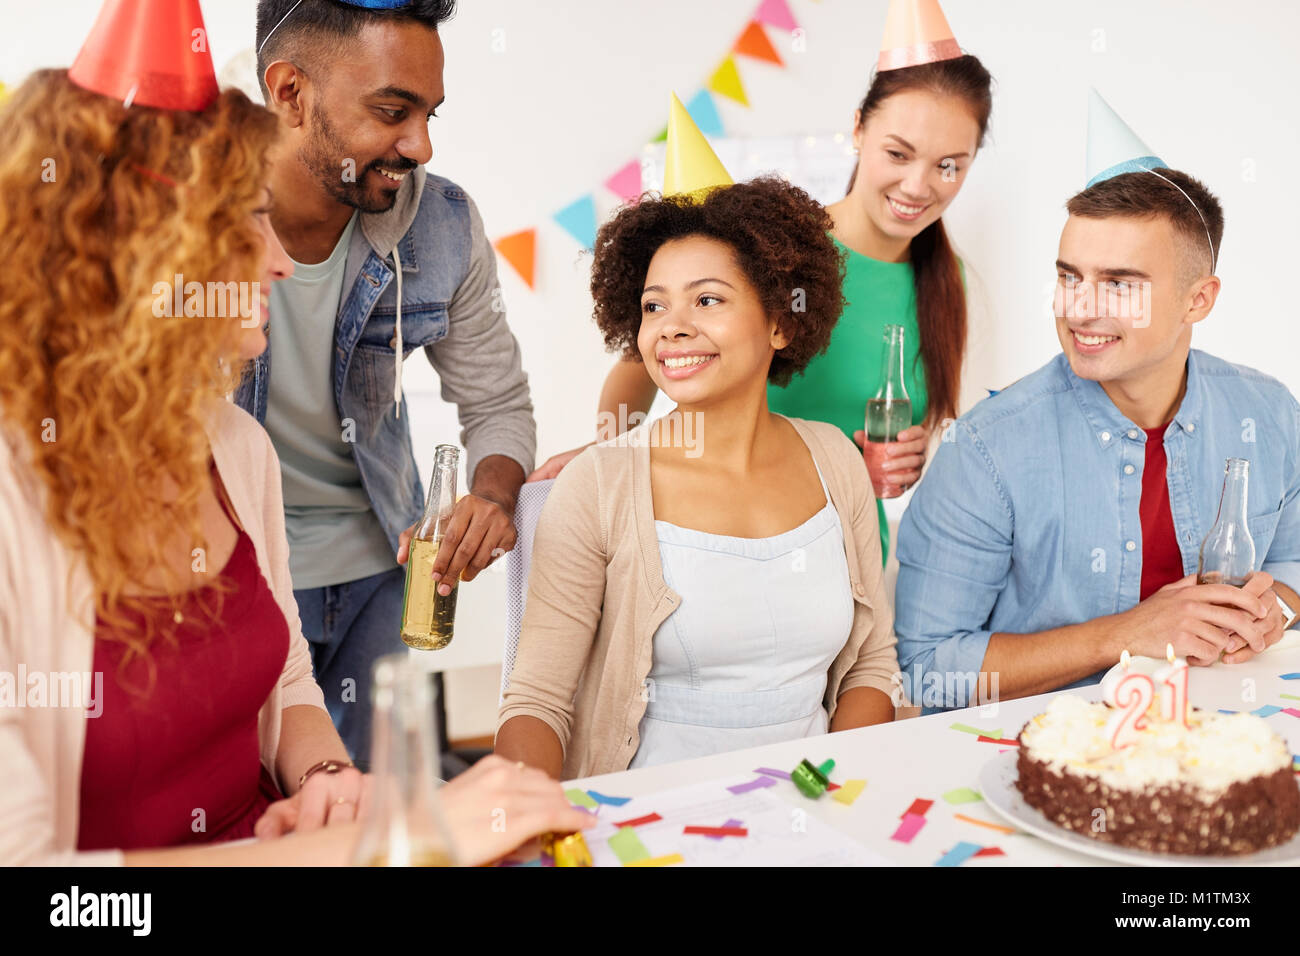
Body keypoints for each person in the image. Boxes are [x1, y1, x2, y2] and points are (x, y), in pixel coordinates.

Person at [0, 0, 588, 866]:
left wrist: (323, 780)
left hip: (376, 566)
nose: (276, 258)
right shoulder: (17, 498)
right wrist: (381, 841)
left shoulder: (237, 453)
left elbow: (282, 681)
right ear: (143, 250)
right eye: (243, 219)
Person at [530, 0, 993, 564]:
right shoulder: (776, 250)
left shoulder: (948, 283)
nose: (919, 185)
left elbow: (880, 445)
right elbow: (641, 364)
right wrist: (610, 457)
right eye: (899, 153)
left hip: (848, 555)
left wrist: (904, 460)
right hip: (731, 542)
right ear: (858, 129)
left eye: (950, 164)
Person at [892, 91, 1300, 712]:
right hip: (1042, 747)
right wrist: (1127, 635)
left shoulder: (1268, 413)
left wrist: (1270, 612)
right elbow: (927, 669)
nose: (1079, 308)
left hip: (1225, 731)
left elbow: (1294, 565)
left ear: (1199, 300)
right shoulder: (986, 448)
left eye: (1118, 284)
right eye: (1068, 276)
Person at [495, 165, 901, 780]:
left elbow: (872, 666)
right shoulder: (599, 485)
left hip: (814, 805)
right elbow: (536, 705)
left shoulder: (835, 460)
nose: (672, 326)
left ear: (780, 322)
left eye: (707, 299)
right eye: (654, 306)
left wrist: (820, 792)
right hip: (647, 824)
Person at [247, 0, 536, 767]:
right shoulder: (177, 223)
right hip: (233, 582)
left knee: (376, 815)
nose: (421, 143)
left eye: (430, 112)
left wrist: (495, 497)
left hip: (380, 576)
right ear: (289, 93)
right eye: (392, 111)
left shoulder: (440, 222)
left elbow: (498, 402)